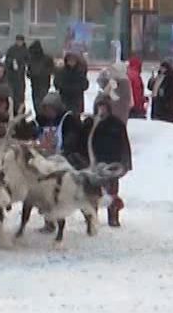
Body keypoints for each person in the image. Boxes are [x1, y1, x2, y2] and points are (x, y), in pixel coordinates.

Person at [84, 95, 133, 226]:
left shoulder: (117, 124)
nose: (102, 109)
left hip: (113, 163)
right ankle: (92, 218)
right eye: (99, 106)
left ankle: (113, 217)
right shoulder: (91, 124)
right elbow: (85, 142)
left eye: (104, 106)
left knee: (112, 192)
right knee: (93, 191)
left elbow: (124, 144)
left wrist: (126, 162)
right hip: (95, 162)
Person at [33, 93, 81, 158]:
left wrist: (64, 150)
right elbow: (32, 136)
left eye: (50, 109)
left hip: (62, 157)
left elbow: (71, 141)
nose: (48, 112)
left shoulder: (68, 121)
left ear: (57, 108)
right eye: (45, 109)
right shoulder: (39, 121)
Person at [4, 35, 30, 117]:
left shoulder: (25, 50)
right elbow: (7, 60)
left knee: (20, 95)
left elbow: (28, 61)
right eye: (18, 41)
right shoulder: (11, 50)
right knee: (12, 94)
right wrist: (11, 63)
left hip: (20, 77)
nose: (19, 42)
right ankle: (12, 111)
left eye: (20, 41)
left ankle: (20, 112)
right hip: (11, 76)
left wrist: (24, 66)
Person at [26, 40, 54, 108]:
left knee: (41, 102)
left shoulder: (46, 58)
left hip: (43, 83)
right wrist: (31, 74)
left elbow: (51, 69)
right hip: (36, 84)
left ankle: (42, 115)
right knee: (37, 102)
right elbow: (28, 71)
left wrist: (41, 73)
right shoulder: (31, 59)